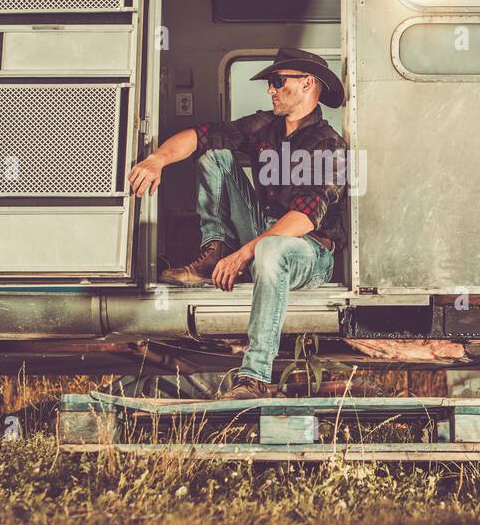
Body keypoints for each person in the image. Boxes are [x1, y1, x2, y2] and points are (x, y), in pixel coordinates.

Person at [127, 48, 349, 400]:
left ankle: (255, 378)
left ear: (308, 84)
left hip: (309, 251)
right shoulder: (265, 127)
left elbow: (306, 217)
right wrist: (157, 160)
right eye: (270, 84)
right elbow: (201, 135)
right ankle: (215, 251)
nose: (271, 90)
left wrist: (245, 253)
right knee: (216, 156)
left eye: (278, 82)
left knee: (272, 248)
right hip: (262, 234)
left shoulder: (328, 145)